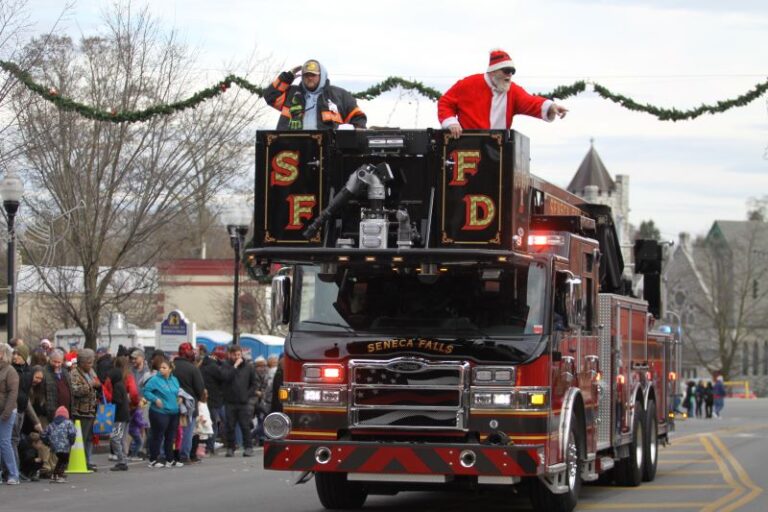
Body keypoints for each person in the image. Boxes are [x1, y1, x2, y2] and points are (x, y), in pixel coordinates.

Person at [438, 49, 568, 138]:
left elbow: (530, 101)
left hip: (497, 150)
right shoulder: (468, 84)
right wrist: (451, 123)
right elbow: (445, 102)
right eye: (506, 71)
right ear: (493, 71)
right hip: (466, 146)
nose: (510, 75)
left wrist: (551, 106)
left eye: (512, 72)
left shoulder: (513, 91)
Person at [264, 59, 367, 130]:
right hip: (292, 151)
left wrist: (352, 132)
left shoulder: (339, 95)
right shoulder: (291, 93)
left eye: (313, 75)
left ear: (321, 76)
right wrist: (287, 77)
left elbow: (359, 118)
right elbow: (270, 96)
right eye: (306, 75)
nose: (310, 78)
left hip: (328, 153)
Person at [143, 357, 182, 468]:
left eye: (164, 368)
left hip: (174, 412)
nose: (161, 369)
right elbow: (146, 391)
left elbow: (177, 391)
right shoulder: (155, 380)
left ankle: (170, 459)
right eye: (160, 368)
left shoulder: (174, 380)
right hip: (159, 412)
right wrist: (155, 399)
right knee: (158, 436)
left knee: (171, 437)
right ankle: (153, 459)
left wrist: (180, 397)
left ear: (170, 369)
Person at [220, 345, 257, 457]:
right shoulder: (226, 366)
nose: (237, 357)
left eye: (239, 355)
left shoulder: (248, 367)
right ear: (230, 355)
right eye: (235, 355)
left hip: (243, 402)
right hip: (230, 401)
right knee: (230, 426)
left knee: (245, 426)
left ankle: (248, 447)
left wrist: (247, 395)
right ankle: (231, 448)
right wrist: (234, 367)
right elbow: (225, 377)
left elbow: (253, 384)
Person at [173, 342, 205, 464]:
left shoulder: (171, 366)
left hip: (172, 402)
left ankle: (170, 454)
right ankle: (184, 455)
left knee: (173, 430)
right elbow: (200, 388)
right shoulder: (193, 369)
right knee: (187, 431)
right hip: (189, 405)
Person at [69, 348, 100, 471]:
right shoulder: (74, 373)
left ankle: (88, 460)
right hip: (80, 411)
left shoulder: (91, 371)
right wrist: (90, 386)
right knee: (81, 437)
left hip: (91, 409)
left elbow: (96, 382)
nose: (91, 365)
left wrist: (97, 386)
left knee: (89, 437)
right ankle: (81, 461)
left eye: (92, 362)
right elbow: (75, 390)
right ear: (82, 362)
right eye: (89, 362)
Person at [0, 343, 21, 484]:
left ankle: (14, 474)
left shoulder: (10, 371)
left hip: (7, 411)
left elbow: (13, 394)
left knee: (5, 442)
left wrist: (6, 413)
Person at [198, 345, 225, 455]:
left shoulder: (200, 368)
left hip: (203, 399)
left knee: (204, 423)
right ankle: (210, 446)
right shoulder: (214, 367)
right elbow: (223, 378)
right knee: (214, 423)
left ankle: (204, 446)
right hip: (215, 399)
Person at [105, 356, 130, 471]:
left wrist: (111, 402)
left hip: (119, 417)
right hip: (124, 416)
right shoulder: (121, 385)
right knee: (120, 438)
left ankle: (121, 461)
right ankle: (123, 459)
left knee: (115, 438)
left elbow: (118, 401)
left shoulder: (117, 386)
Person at [41, 406, 76, 484]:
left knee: (60, 460)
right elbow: (72, 434)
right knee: (64, 460)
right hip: (65, 446)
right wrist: (71, 442)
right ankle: (60, 475)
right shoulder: (69, 423)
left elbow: (43, 435)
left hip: (55, 447)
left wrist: (48, 443)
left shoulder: (51, 424)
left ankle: (54, 475)